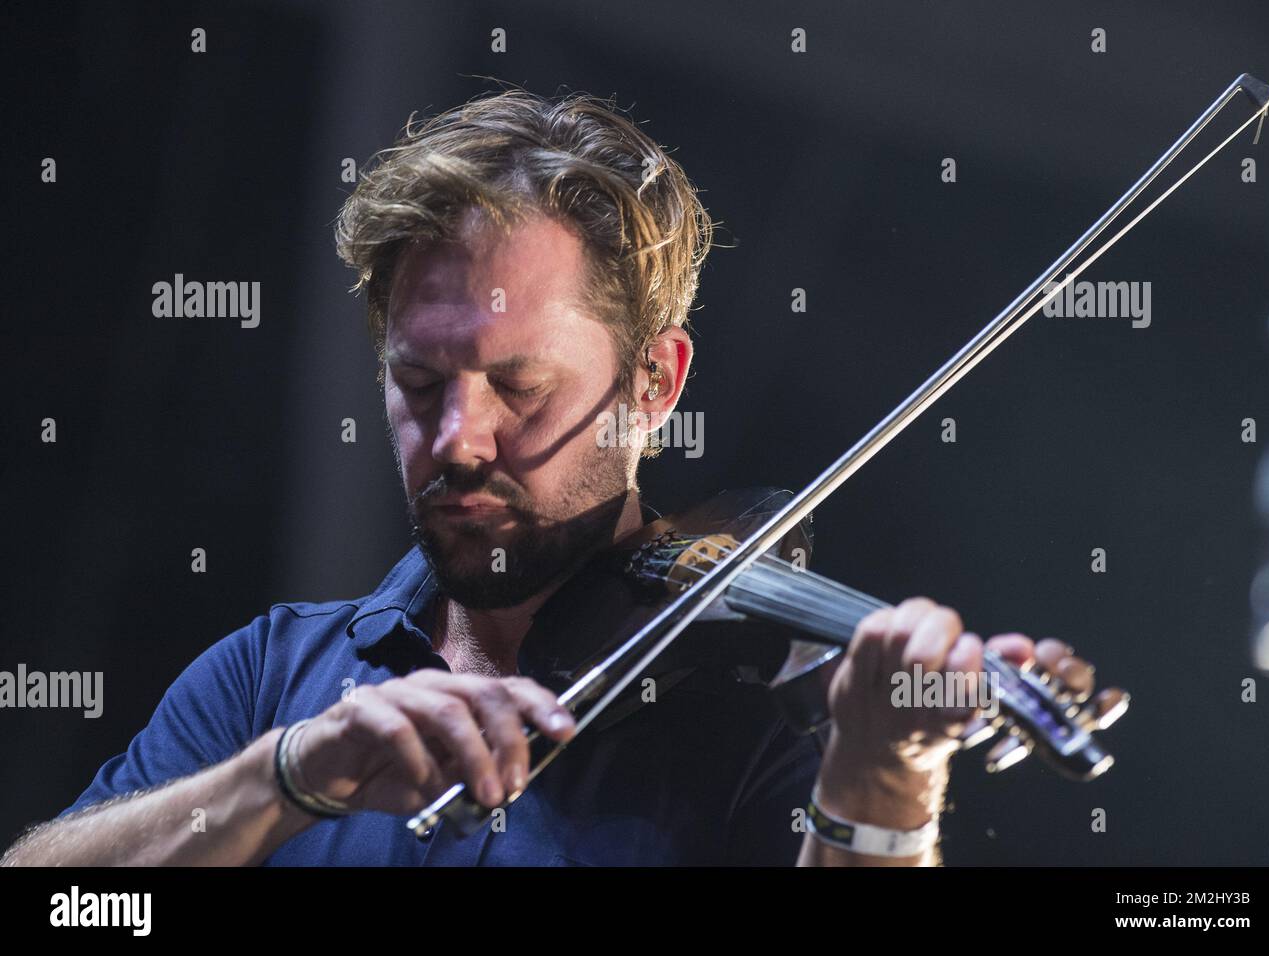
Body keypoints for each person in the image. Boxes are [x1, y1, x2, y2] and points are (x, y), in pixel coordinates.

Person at [2, 89, 1098, 867]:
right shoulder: (270, 680)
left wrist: (882, 779)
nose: (458, 439)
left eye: (518, 383)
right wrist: (281, 781)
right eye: (418, 381)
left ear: (654, 381)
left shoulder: (765, 736)